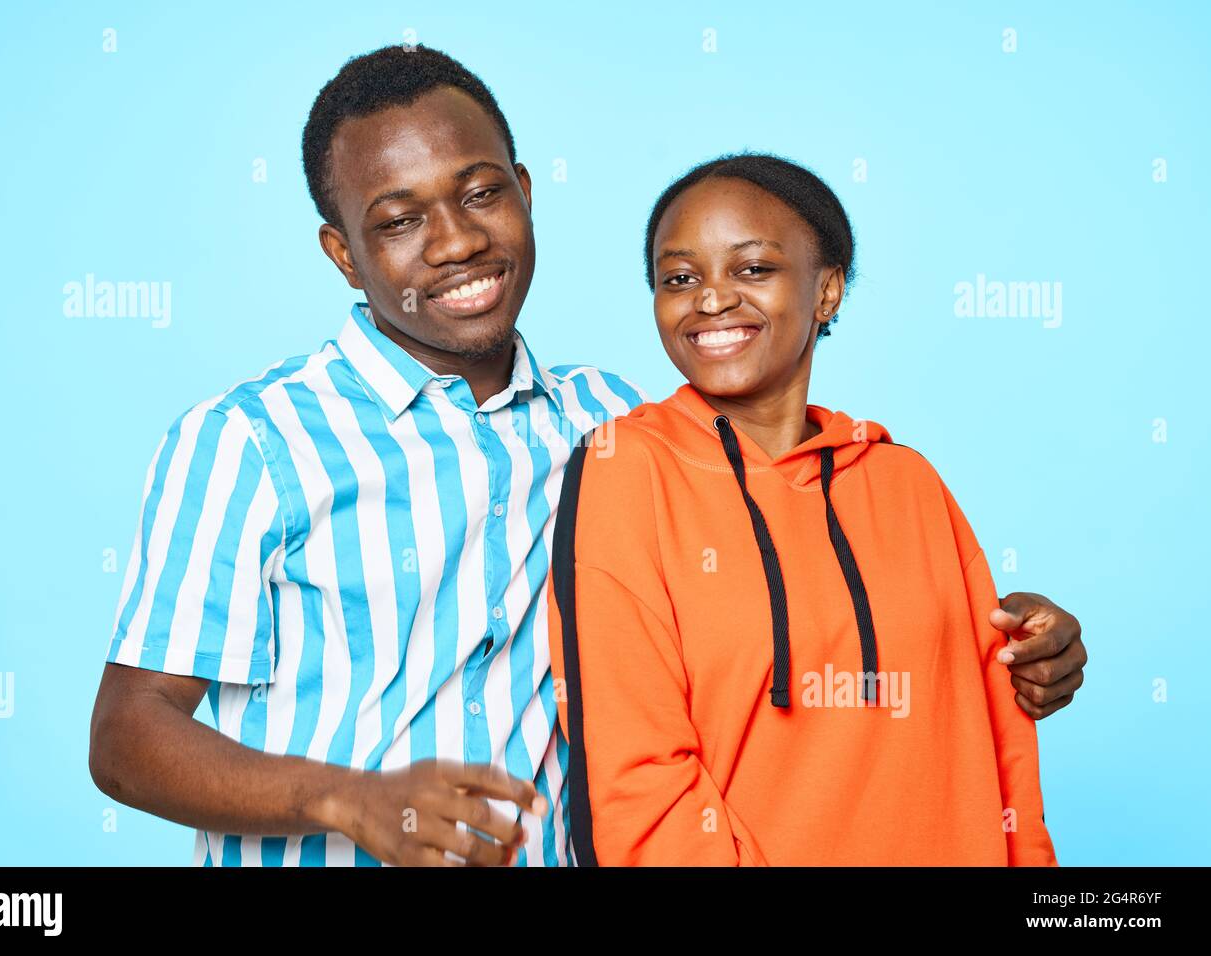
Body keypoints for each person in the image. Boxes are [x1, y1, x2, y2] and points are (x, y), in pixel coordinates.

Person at [89, 45, 1085, 867]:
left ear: (522, 192)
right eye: (395, 221)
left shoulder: (610, 422)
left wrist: (998, 642)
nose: (452, 241)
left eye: (479, 193)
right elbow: (128, 736)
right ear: (343, 252)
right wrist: (348, 798)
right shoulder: (249, 440)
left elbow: (811, 547)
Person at [549, 153, 1060, 866]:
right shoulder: (626, 470)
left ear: (827, 291)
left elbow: (1000, 740)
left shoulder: (908, 481)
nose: (712, 299)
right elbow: (635, 776)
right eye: (680, 278)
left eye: (753, 269)